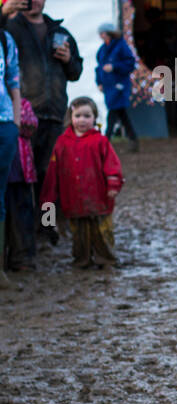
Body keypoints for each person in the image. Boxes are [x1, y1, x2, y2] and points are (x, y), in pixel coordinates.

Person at [2, 0, 84, 245]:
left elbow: (76, 72)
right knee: (25, 181)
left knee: (50, 180)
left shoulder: (58, 31)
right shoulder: (11, 28)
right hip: (25, 117)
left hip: (54, 115)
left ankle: (47, 227)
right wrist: (3, 14)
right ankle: (24, 237)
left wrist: (69, 59)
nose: (33, 0)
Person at [39, 97, 123, 268]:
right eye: (78, 116)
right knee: (79, 235)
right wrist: (48, 199)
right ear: (71, 117)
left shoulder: (101, 141)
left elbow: (112, 166)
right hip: (73, 200)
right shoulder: (62, 143)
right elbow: (53, 173)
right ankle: (82, 261)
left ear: (95, 117)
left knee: (102, 232)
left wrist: (113, 185)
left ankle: (106, 260)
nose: (82, 120)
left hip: (99, 198)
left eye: (87, 116)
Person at [5, 95, 38, 275]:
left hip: (20, 173)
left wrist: (9, 118)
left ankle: (23, 258)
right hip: (3, 174)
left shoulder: (23, 103)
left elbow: (31, 126)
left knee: (22, 217)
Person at [95, 22, 138, 152]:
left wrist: (115, 67)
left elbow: (130, 64)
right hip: (108, 86)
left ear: (109, 33)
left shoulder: (121, 46)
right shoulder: (102, 50)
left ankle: (105, 143)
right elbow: (99, 68)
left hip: (119, 86)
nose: (101, 35)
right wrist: (99, 82)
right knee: (121, 114)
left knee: (112, 113)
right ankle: (133, 140)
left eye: (103, 33)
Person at [0, 28, 20, 288]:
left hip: (4, 124)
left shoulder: (4, 38)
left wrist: (15, 121)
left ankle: (0, 272)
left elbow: (14, 79)